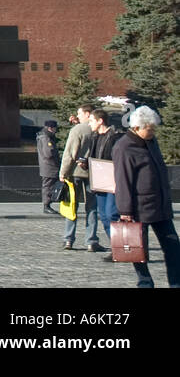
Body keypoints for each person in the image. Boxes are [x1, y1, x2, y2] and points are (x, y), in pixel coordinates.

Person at [112, 105, 180, 287]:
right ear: (136, 128)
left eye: (153, 128)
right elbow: (123, 180)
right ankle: (145, 282)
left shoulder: (151, 141)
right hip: (138, 208)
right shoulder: (124, 147)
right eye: (149, 129)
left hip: (160, 206)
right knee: (138, 250)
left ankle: (176, 283)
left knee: (173, 247)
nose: (152, 132)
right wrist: (125, 210)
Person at [60, 105, 102, 251]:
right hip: (93, 173)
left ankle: (68, 239)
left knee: (71, 206)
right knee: (92, 208)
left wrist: (63, 172)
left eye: (79, 113)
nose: (77, 116)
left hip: (75, 173)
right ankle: (91, 241)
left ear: (87, 113)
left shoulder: (77, 130)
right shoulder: (98, 130)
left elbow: (69, 153)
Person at [88, 108, 125, 262]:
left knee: (112, 215)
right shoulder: (96, 137)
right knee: (103, 216)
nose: (89, 123)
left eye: (91, 120)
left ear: (100, 121)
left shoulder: (116, 136)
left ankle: (121, 249)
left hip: (112, 181)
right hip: (99, 181)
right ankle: (116, 248)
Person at [37, 119, 61, 215]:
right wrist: (56, 155)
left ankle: (47, 204)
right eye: (55, 128)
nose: (56, 130)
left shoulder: (44, 136)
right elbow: (48, 153)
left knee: (48, 185)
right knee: (48, 186)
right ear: (50, 128)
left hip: (48, 166)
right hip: (49, 166)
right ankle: (46, 205)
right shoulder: (46, 138)